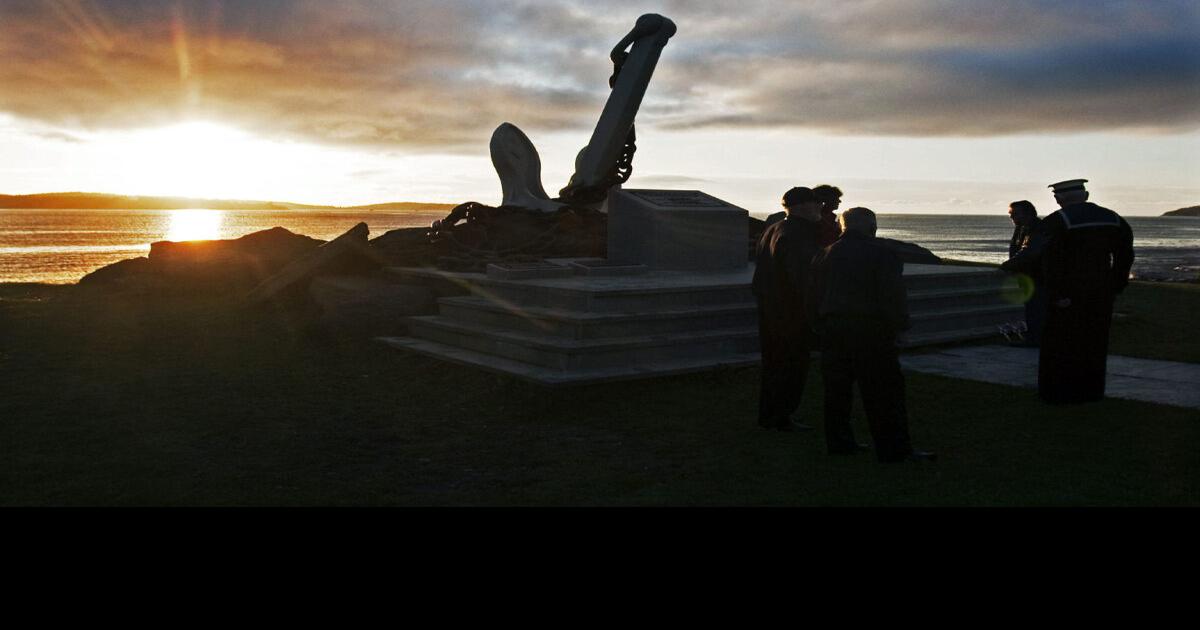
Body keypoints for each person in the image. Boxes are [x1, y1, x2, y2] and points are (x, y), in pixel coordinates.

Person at [808, 207, 936, 462]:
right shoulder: (882, 253)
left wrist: (818, 326)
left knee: (837, 392)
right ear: (872, 226)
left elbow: (812, 296)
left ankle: (839, 443)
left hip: (833, 330)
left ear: (844, 227)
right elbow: (892, 294)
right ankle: (894, 449)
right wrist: (900, 326)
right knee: (884, 393)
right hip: (871, 330)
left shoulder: (824, 254)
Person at [1001, 179, 1134, 404]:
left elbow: (1041, 257)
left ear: (1059, 198)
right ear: (1087, 194)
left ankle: (1058, 392)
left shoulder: (1056, 221)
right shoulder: (1113, 219)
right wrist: (1115, 285)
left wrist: (1008, 268)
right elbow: (1125, 256)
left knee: (1059, 344)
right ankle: (1092, 391)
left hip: (1066, 294)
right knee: (1094, 343)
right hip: (1100, 293)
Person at [752, 186, 824, 432]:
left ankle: (771, 414)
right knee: (791, 366)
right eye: (816, 204)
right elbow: (804, 277)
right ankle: (780, 416)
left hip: (772, 309)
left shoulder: (774, 228)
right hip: (791, 312)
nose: (820, 209)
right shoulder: (797, 234)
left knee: (774, 365)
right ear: (803, 206)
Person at [1005, 200, 1045, 346]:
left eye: (1015, 214)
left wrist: (1007, 265)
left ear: (1027, 213)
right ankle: (1033, 337)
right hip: (1027, 275)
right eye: (1011, 214)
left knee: (1036, 308)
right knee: (1031, 308)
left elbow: (1028, 252)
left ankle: (1035, 339)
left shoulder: (1036, 229)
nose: (1012, 217)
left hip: (1037, 276)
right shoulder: (1021, 228)